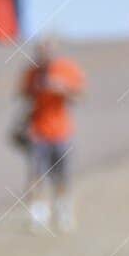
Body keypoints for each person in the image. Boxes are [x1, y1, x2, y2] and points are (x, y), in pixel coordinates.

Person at [20, 37, 85, 234]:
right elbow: (24, 96)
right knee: (36, 176)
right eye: (40, 52)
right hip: (38, 132)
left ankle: (63, 212)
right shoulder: (32, 73)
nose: (44, 55)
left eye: (48, 51)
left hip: (61, 133)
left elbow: (79, 96)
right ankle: (38, 215)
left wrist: (61, 88)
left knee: (62, 177)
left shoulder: (66, 70)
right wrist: (37, 88)